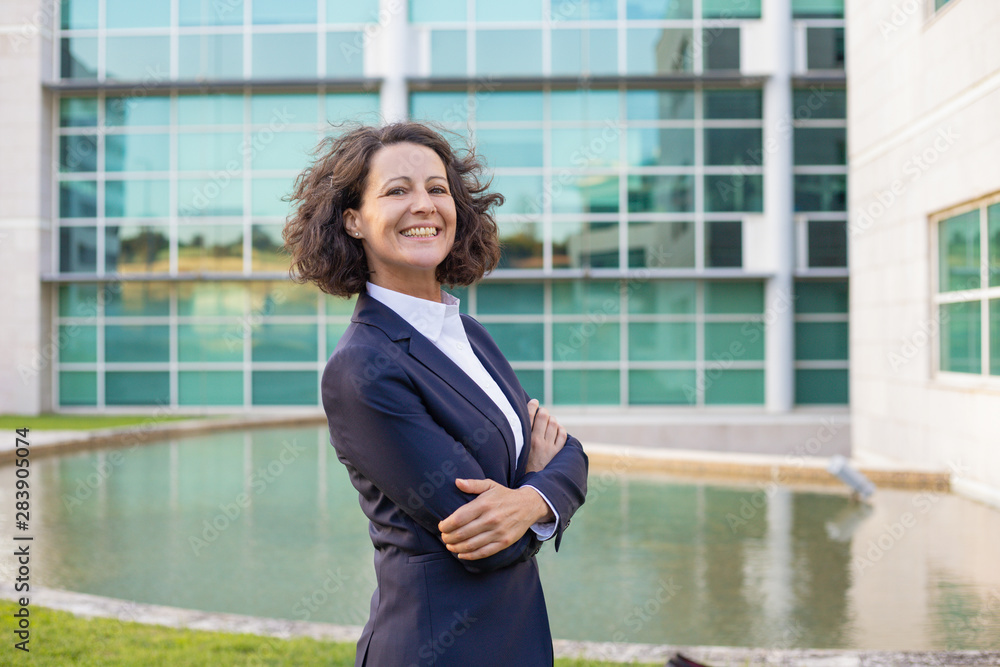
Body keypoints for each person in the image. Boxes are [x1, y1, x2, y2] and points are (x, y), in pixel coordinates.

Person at [283, 122, 589, 666]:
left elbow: (568, 450)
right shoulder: (362, 367)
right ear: (353, 220)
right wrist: (540, 492)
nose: (423, 205)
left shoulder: (469, 334)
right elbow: (486, 542)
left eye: (437, 189)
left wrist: (528, 498)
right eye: (397, 190)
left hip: (516, 639)